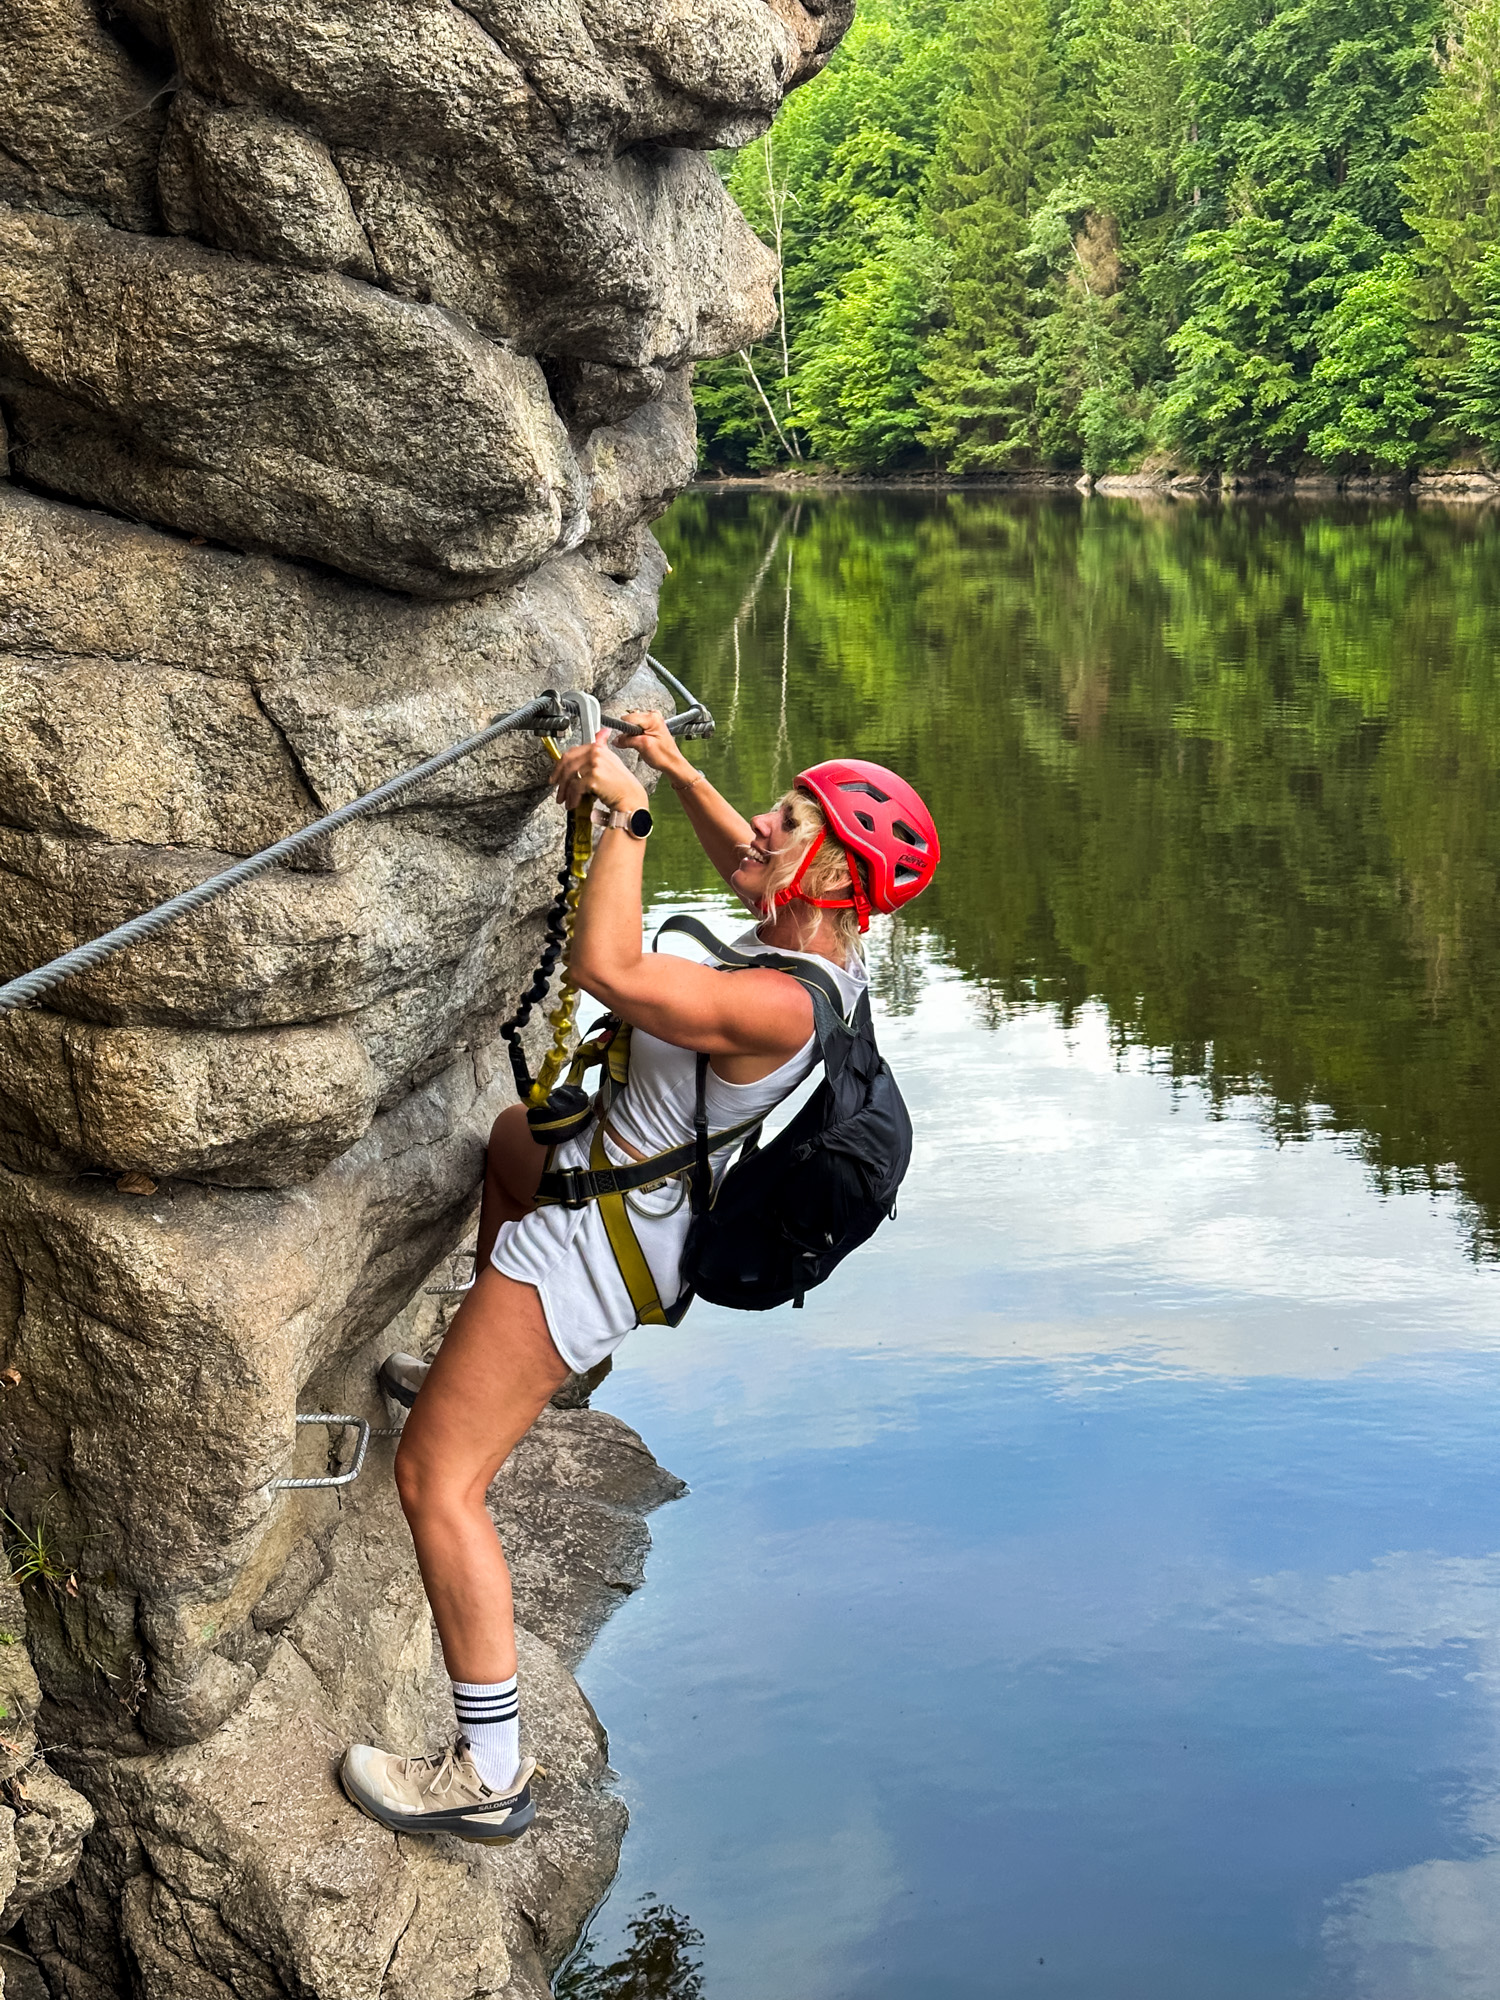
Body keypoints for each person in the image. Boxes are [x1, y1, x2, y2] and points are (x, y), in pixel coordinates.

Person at [340, 712, 939, 1842]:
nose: (760, 827)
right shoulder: (821, 948)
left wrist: (624, 812)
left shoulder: (777, 1005)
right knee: (515, 1141)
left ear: (834, 872)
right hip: (602, 1197)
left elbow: (607, 966)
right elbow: (735, 857)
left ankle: (489, 1772)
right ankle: (514, 1360)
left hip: (592, 1245)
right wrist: (676, 768)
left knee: (437, 1481)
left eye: (788, 822)